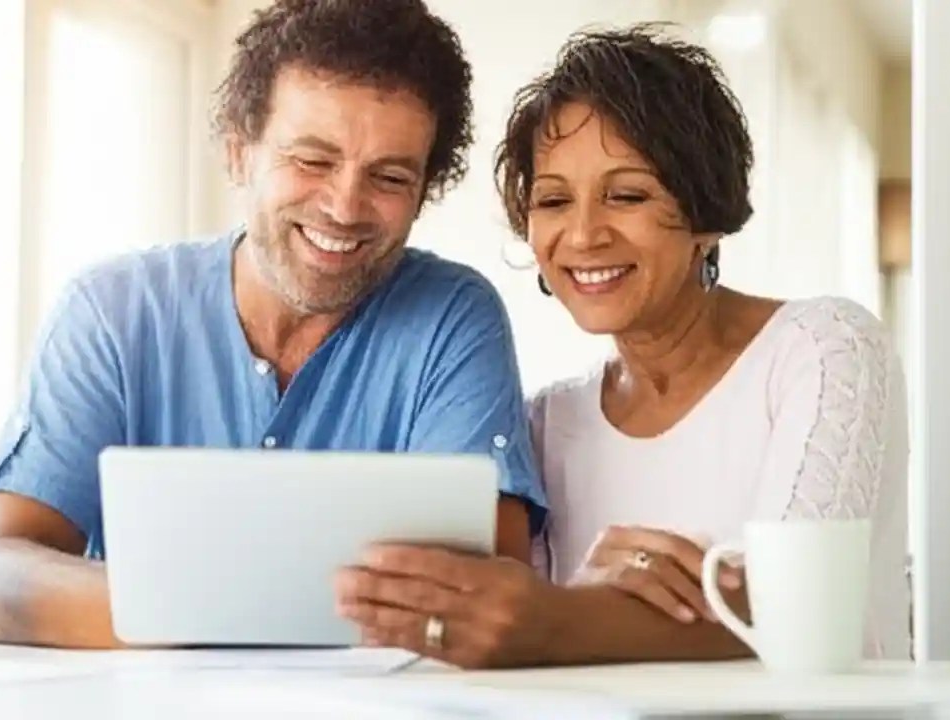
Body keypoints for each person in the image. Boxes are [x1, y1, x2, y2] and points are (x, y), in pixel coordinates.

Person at [0, 0, 546, 649]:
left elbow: (491, 599)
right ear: (239, 153)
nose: (345, 207)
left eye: (389, 176)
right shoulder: (113, 313)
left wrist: (186, 607)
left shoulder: (453, 320)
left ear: (425, 189)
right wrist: (244, 612)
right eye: (312, 161)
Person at [335, 23, 909, 668]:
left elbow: (792, 607)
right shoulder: (548, 422)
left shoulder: (823, 349)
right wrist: (580, 604)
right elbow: (529, 635)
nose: (581, 235)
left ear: (705, 214)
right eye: (553, 200)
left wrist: (566, 615)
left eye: (627, 195)